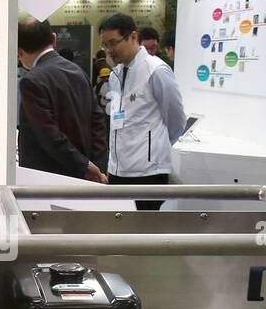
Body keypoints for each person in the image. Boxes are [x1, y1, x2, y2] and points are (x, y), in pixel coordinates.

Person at [98, 13, 189, 210]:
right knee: (118, 233)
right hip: (117, 170)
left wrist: (154, 149)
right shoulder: (116, 74)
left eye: (114, 43)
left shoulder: (156, 71)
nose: (109, 50)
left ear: (133, 36)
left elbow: (176, 120)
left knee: (144, 235)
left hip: (147, 173)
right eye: (105, 45)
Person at [16, 17, 108, 181]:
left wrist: (85, 166)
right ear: (54, 38)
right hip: (85, 178)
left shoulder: (31, 81)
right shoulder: (78, 71)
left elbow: (48, 134)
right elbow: (98, 122)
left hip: (47, 179)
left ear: (19, 51)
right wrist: (98, 168)